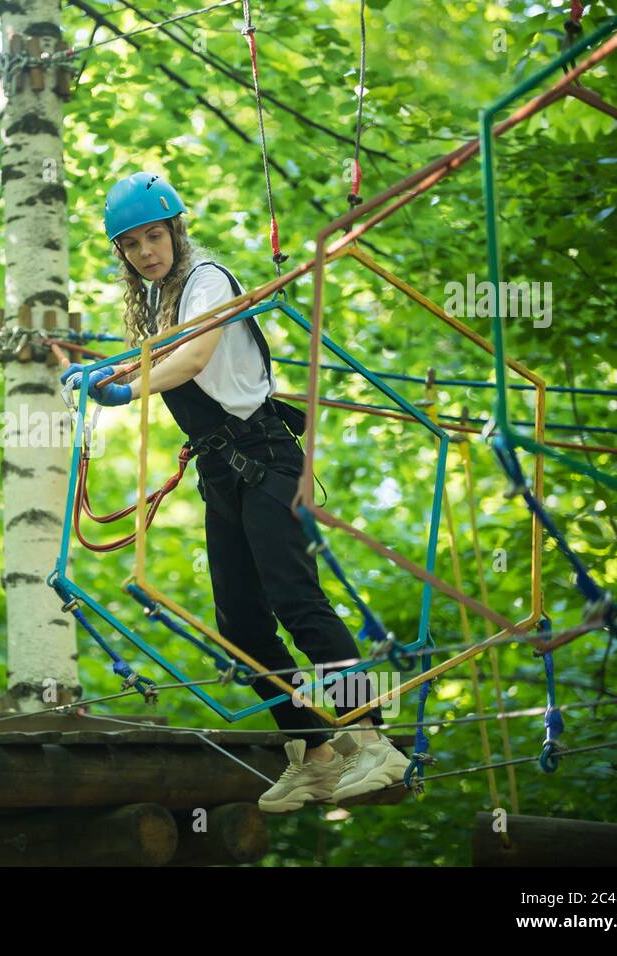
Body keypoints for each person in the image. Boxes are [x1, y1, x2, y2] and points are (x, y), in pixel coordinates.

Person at [61, 171, 410, 811]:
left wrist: (120, 389)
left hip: (265, 458)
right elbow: (160, 356)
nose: (146, 252)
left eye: (154, 236)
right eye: (132, 244)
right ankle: (316, 754)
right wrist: (100, 373)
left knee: (295, 599)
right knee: (242, 626)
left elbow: (190, 361)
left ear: (176, 231)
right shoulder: (161, 307)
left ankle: (375, 741)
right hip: (220, 474)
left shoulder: (208, 281)